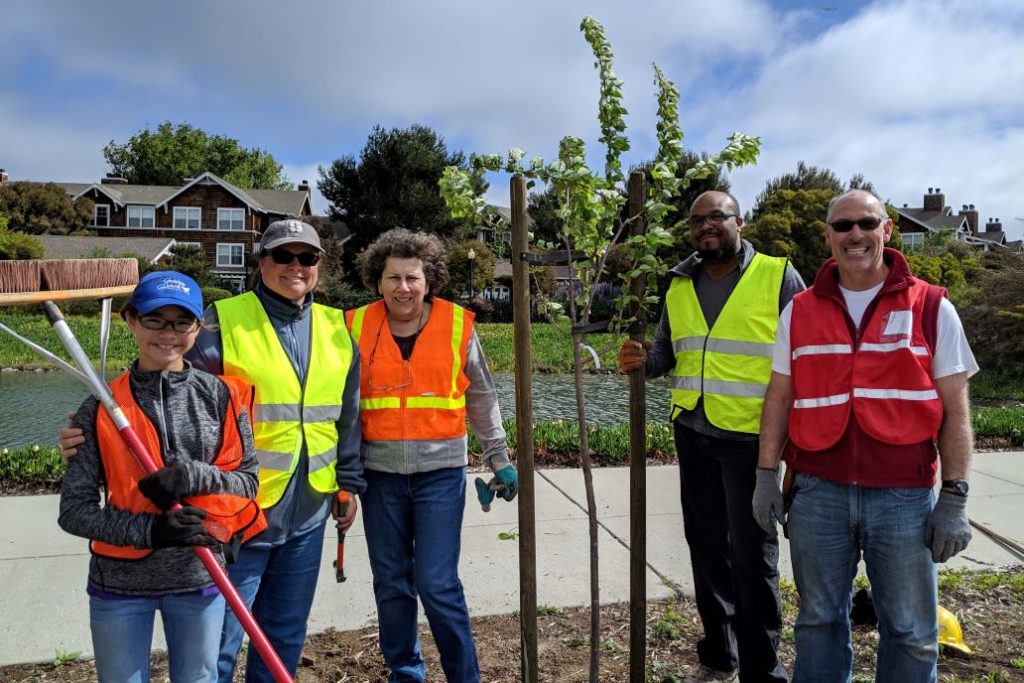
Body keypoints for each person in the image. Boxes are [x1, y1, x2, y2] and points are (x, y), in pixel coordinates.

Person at [61, 219, 364, 683]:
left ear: (320, 265)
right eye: (283, 256)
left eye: (307, 257)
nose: (295, 266)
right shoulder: (224, 320)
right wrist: (100, 421)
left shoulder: (337, 326)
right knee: (219, 643)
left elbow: (347, 415)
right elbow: (165, 375)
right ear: (261, 262)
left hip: (307, 509)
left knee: (284, 633)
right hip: (233, 517)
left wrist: (348, 483)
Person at [752, 189, 977, 682]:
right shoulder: (800, 310)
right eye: (843, 226)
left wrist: (955, 495)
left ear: (886, 231)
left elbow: (955, 409)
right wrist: (766, 474)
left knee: (912, 633)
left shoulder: (932, 306)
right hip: (817, 495)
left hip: (902, 497)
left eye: (866, 223)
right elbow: (780, 397)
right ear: (828, 236)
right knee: (817, 623)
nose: (855, 234)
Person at [618, 191, 803, 683]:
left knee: (753, 555)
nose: (707, 227)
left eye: (717, 217)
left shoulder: (778, 276)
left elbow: (804, 361)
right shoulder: (679, 283)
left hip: (751, 441)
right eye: (698, 220)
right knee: (705, 547)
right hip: (693, 432)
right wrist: (641, 361)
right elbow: (666, 353)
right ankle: (720, 654)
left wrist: (790, 449)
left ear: (739, 221)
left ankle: (763, 671)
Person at [58, 271, 264, 683]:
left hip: (199, 577)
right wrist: (151, 531)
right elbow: (74, 512)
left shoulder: (222, 397)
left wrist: (194, 476)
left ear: (198, 327)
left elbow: (248, 483)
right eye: (155, 319)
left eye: (181, 321)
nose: (168, 334)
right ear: (131, 320)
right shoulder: (99, 407)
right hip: (118, 584)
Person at [346, 228, 517, 683]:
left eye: (413, 278)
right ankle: (405, 673)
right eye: (393, 278)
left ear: (429, 281)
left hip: (440, 475)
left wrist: (497, 455)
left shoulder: (457, 325)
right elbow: (341, 405)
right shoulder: (355, 326)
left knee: (437, 584)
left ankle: (465, 677)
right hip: (378, 477)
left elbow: (481, 396)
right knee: (391, 583)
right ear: (377, 282)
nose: (403, 288)